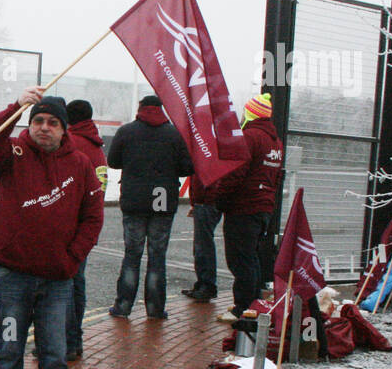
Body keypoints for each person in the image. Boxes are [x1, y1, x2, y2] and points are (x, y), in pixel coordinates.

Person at [0, 87, 104, 369]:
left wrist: (71, 259)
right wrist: (16, 106)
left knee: (53, 354)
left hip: (57, 281)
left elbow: (93, 217)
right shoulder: (11, 154)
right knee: (10, 349)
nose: (43, 128)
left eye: (52, 123)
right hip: (13, 277)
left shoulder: (79, 165)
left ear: (65, 130)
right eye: (38, 121)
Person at [105, 95, 192, 319]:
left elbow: (113, 161)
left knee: (132, 256)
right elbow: (186, 167)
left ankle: (123, 307)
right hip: (162, 198)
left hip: (134, 199)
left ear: (140, 109)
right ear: (161, 109)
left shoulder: (127, 131)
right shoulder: (173, 134)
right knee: (157, 257)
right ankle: (155, 309)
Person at [206, 92, 284, 323]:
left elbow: (235, 174)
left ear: (250, 113)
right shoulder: (275, 141)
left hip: (243, 208)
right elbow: (276, 176)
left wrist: (220, 200)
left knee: (240, 259)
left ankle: (243, 308)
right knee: (252, 258)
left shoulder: (249, 137)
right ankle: (252, 302)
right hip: (263, 207)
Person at [63, 99, 107, 357]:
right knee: (77, 284)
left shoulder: (73, 144)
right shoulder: (95, 144)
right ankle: (74, 340)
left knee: (64, 286)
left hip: (71, 228)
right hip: (87, 227)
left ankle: (67, 341)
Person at [182, 177, 222, 301]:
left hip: (206, 202)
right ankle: (203, 283)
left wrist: (199, 201)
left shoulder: (205, 159)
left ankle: (207, 285)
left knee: (203, 246)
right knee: (202, 245)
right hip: (204, 202)